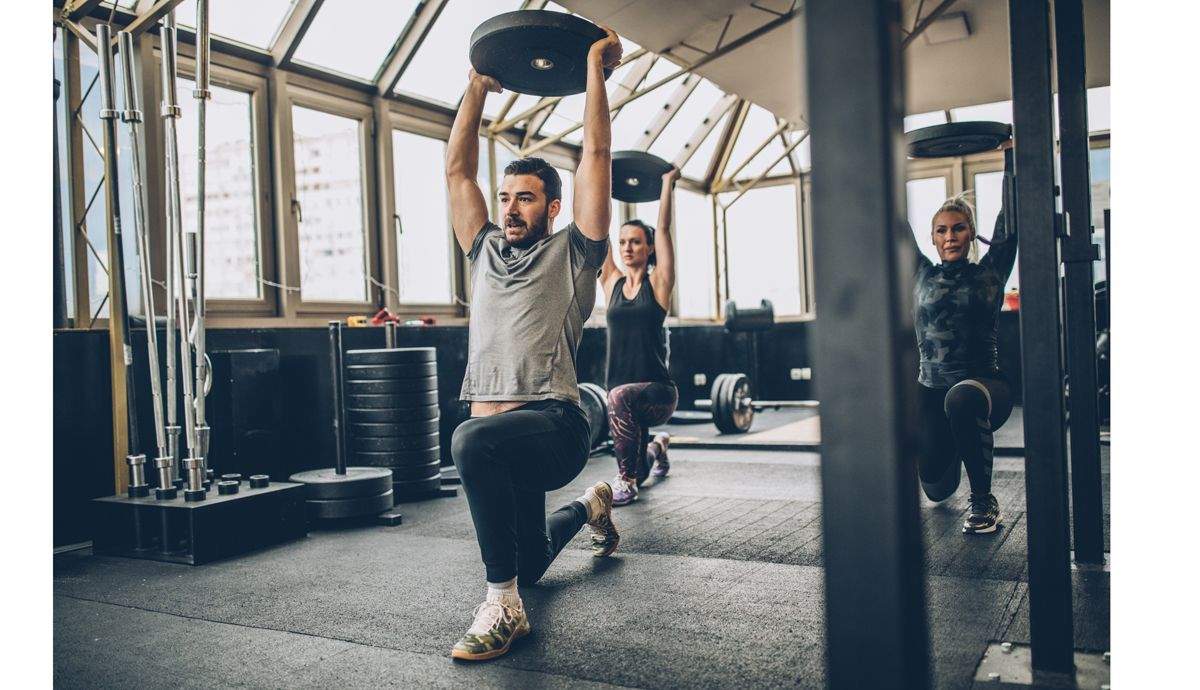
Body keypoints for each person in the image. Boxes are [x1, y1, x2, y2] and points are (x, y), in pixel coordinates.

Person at [443, 27, 624, 662]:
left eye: (527, 199)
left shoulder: (573, 252)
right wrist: (475, 91)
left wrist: (594, 71)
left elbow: (596, 157)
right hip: (501, 439)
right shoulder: (483, 250)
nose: (512, 208)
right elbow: (457, 168)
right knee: (535, 559)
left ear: (551, 209)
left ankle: (503, 606)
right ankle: (590, 507)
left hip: (554, 427)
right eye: (507, 198)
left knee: (468, 441)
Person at [908, 183, 1017, 534]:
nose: (950, 236)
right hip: (931, 390)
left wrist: (1011, 156)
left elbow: (1009, 223)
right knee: (936, 489)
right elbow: (894, 221)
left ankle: (984, 501)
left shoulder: (990, 272)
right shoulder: (920, 274)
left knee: (961, 398)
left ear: (971, 234)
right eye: (942, 230)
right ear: (932, 238)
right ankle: (956, 438)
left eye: (958, 228)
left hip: (984, 388)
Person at [598, 168, 680, 505]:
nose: (627, 248)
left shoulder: (658, 284)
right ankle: (657, 447)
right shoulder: (611, 282)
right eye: (622, 243)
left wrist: (666, 184)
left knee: (617, 398)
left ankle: (626, 481)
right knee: (642, 462)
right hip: (622, 397)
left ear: (648, 248)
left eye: (635, 242)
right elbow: (597, 228)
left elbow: (663, 228)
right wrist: (600, 180)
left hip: (657, 393)